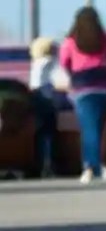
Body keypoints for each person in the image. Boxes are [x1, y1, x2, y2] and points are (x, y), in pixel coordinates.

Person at [58, 7, 106, 183]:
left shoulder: (70, 42)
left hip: (82, 89)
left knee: (89, 129)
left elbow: (64, 62)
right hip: (105, 88)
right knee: (100, 129)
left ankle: (90, 166)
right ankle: (99, 165)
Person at [26, 37, 63, 177]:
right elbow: (59, 79)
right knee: (49, 132)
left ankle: (40, 163)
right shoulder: (50, 62)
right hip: (46, 97)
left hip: (36, 96)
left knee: (40, 132)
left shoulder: (35, 63)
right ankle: (49, 164)